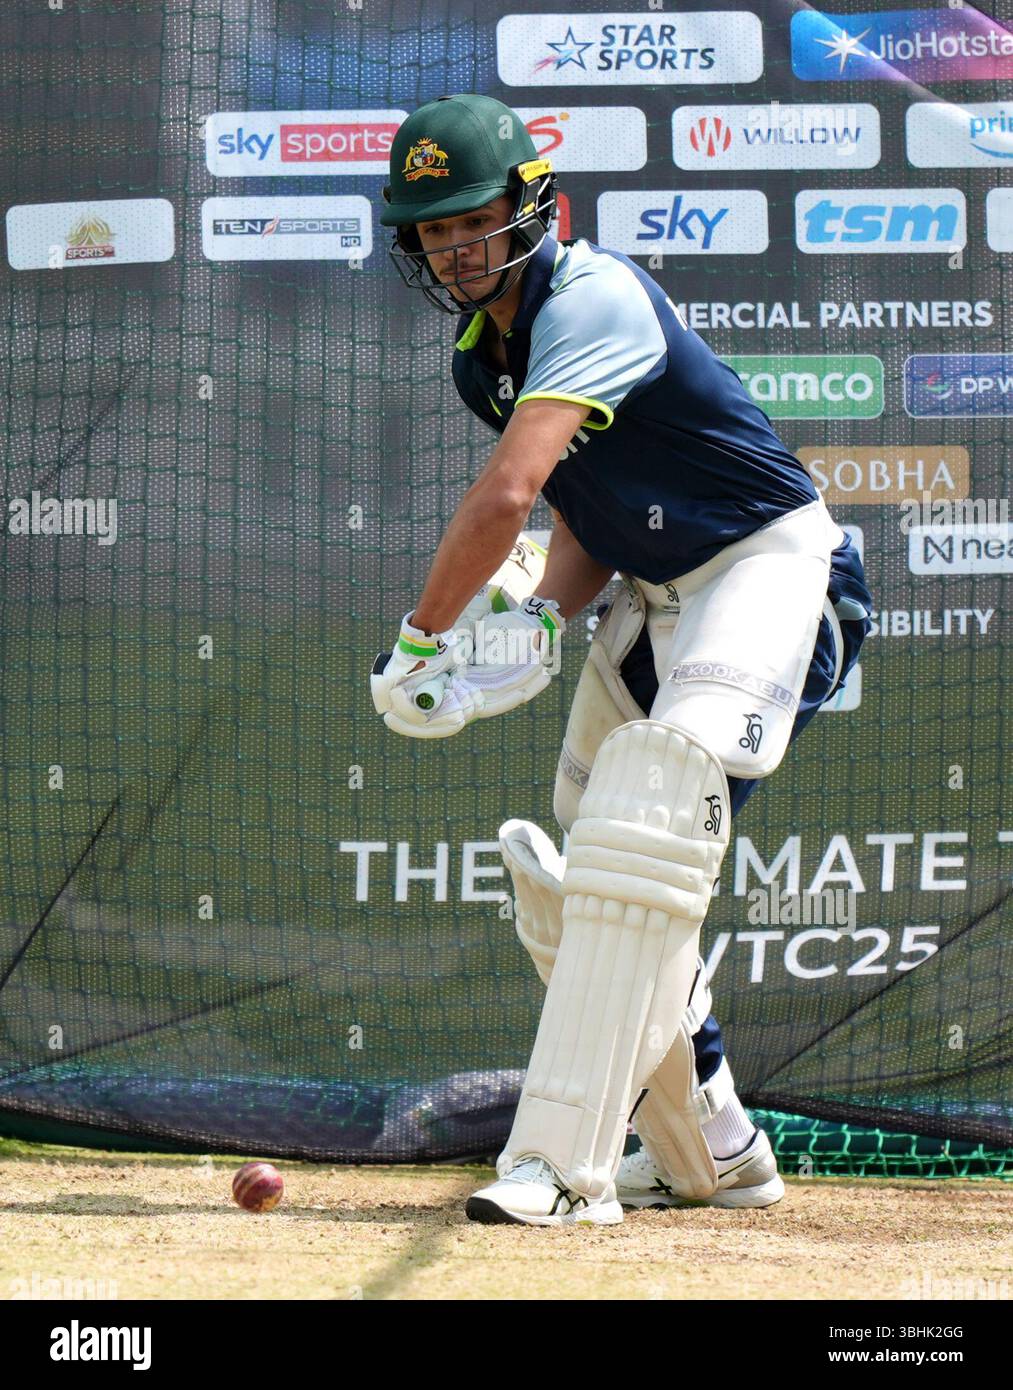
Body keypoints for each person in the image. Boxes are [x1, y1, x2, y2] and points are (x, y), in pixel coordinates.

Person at [371, 94, 873, 1226]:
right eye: (431, 229)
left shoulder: (589, 295)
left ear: (530, 204)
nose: (452, 247)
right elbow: (582, 508)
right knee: (582, 880)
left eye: (470, 217)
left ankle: (558, 1167)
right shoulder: (480, 358)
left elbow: (506, 495)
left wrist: (418, 639)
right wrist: (541, 619)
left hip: (770, 572)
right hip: (652, 600)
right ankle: (716, 1153)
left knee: (639, 840)